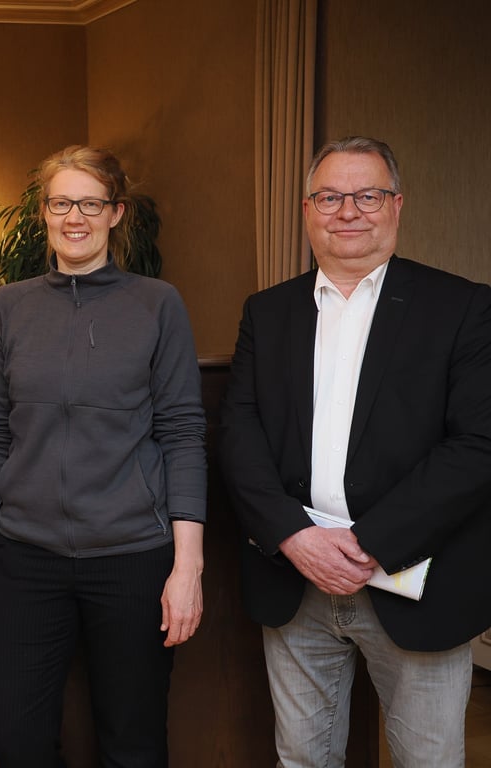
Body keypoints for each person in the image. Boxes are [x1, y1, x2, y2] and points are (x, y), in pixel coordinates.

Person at [219, 136, 491, 768]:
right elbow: (240, 433)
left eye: (367, 195)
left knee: (428, 761)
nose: (349, 211)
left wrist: (368, 545)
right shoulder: (268, 311)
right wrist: (294, 536)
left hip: (416, 580)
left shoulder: (462, 307)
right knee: (302, 759)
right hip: (296, 578)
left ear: (396, 206)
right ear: (308, 209)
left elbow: (478, 446)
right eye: (330, 196)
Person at [0, 144, 207, 767]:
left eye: (91, 203)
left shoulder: (158, 304)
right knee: (16, 738)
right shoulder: (6, 309)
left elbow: (182, 433)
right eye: (62, 202)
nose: (76, 217)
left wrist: (187, 568)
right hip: (25, 557)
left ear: (116, 212)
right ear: (42, 212)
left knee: (134, 740)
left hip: (132, 557)